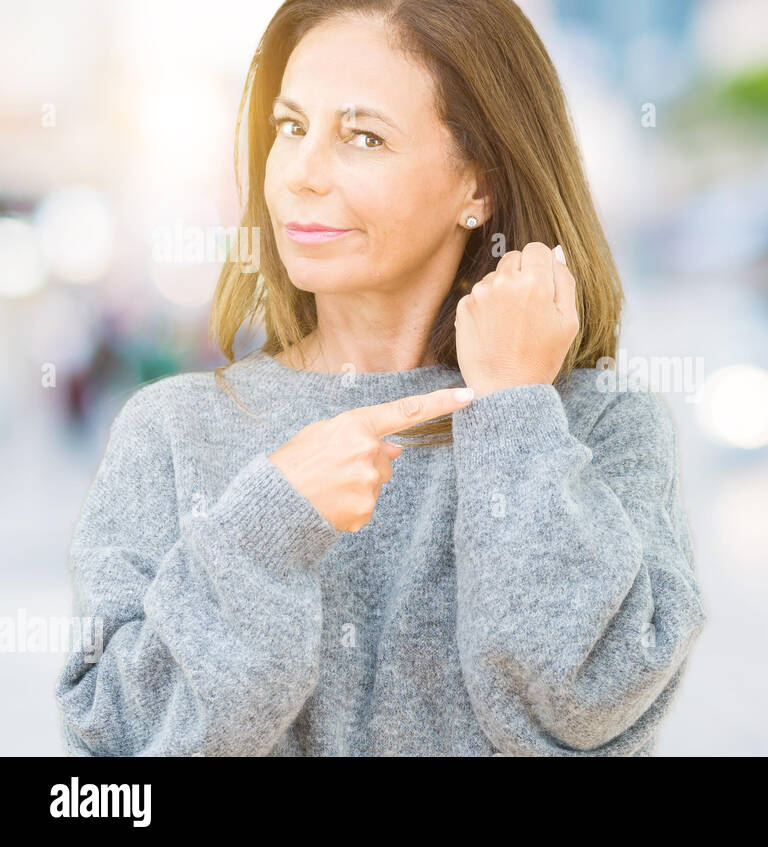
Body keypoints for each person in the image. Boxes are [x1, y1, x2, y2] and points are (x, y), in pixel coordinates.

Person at [53, 0, 708, 756]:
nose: (300, 174)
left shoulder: (597, 425)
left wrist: (516, 412)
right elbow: (118, 755)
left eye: (363, 137)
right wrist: (265, 526)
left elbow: (585, 706)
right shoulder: (171, 431)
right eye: (291, 128)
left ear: (479, 188)